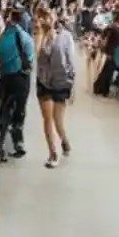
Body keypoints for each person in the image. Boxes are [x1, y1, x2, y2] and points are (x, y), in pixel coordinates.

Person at [0, 9, 35, 163]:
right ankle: (18, 144)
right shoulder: (23, 35)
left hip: (5, 77)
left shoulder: (2, 36)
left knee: (4, 111)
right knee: (19, 111)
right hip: (21, 78)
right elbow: (30, 54)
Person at [35, 9, 75, 168]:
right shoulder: (38, 36)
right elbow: (36, 56)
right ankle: (52, 153)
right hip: (44, 82)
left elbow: (71, 61)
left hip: (61, 82)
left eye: (46, 17)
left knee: (58, 120)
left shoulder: (65, 36)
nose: (44, 21)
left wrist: (73, 86)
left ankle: (64, 140)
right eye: (40, 18)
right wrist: (42, 37)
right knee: (47, 119)